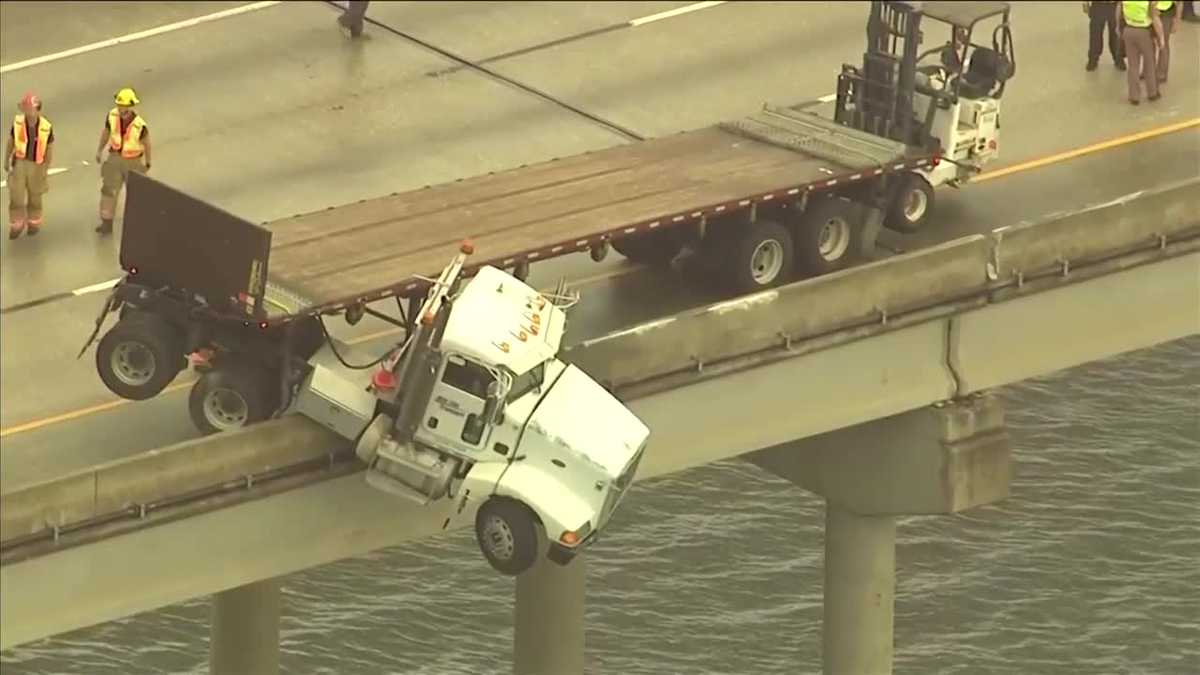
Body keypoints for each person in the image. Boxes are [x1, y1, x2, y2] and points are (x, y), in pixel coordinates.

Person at [94, 87, 151, 235]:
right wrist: (100, 150)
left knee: (137, 193)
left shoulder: (139, 125)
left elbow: (147, 143)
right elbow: (106, 133)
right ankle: (106, 223)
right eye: (120, 105)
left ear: (131, 107)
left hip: (134, 162)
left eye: (125, 106)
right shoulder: (112, 116)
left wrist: (148, 162)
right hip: (114, 159)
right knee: (108, 191)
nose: (122, 109)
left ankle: (139, 224)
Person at [4, 92, 54, 240]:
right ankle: (16, 225)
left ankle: (34, 224)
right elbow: (11, 142)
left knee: (35, 198)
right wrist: (6, 160)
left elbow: (49, 149)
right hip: (19, 164)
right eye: (24, 108)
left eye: (29, 108)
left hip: (37, 166)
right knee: (16, 198)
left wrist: (45, 169)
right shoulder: (18, 123)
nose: (26, 111)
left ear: (37, 109)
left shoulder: (46, 127)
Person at [1116, 1, 1162, 104]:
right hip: (1144, 33)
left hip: (1128, 31)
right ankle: (1152, 93)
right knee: (1149, 63)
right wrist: (1161, 38)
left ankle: (1134, 96)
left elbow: (1119, 10)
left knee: (1133, 65)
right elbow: (1155, 19)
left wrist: (1118, 27)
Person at [1084, 1, 1126, 70]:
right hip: (1097, 5)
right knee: (1095, 34)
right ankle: (1093, 60)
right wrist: (1085, 3)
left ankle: (1118, 58)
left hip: (1114, 5)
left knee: (1116, 33)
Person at [1154, 0, 1181, 82]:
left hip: (1166, 12)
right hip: (1148, 10)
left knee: (1163, 43)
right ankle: (1147, 70)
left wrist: (1177, 20)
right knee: (1148, 43)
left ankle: (1161, 74)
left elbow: (1180, 3)